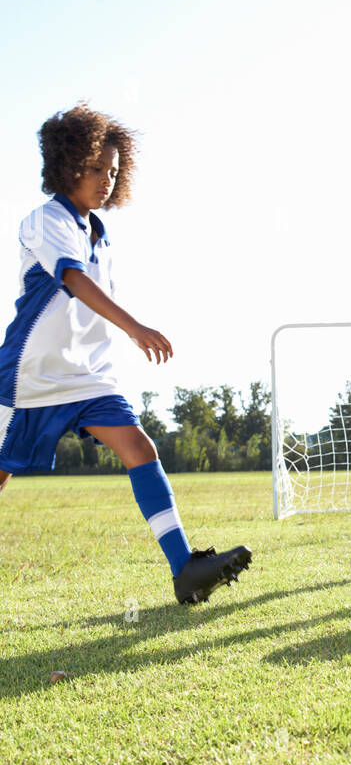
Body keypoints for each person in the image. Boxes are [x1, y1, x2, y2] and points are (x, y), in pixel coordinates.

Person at [0, 102, 251, 604]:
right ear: (66, 162)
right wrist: (136, 328)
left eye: (113, 171)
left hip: (89, 378)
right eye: (96, 168)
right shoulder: (46, 219)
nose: (106, 180)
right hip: (31, 375)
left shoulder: (101, 233)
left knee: (140, 448)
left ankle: (185, 570)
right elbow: (71, 279)